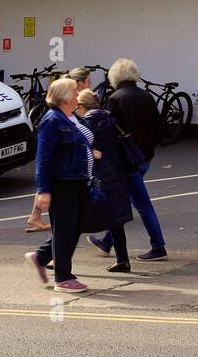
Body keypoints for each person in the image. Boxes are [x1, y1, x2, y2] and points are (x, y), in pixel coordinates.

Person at [91, 57, 168, 261]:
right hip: (144, 157)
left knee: (141, 203)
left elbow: (106, 131)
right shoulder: (147, 96)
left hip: (127, 160)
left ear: (115, 76)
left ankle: (158, 245)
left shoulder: (115, 99)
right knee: (126, 198)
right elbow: (160, 129)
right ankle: (107, 242)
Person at [24, 77, 94, 292]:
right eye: (75, 91)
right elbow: (44, 159)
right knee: (64, 230)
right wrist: (43, 190)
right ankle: (62, 278)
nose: (78, 94)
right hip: (63, 183)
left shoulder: (72, 116)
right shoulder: (52, 121)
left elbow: (84, 140)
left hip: (80, 180)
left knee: (76, 226)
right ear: (64, 97)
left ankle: (42, 256)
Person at [75, 89, 134, 273]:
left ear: (83, 107)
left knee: (76, 219)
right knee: (115, 219)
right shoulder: (109, 120)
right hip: (116, 174)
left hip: (98, 176)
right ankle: (122, 260)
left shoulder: (87, 125)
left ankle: (55, 258)